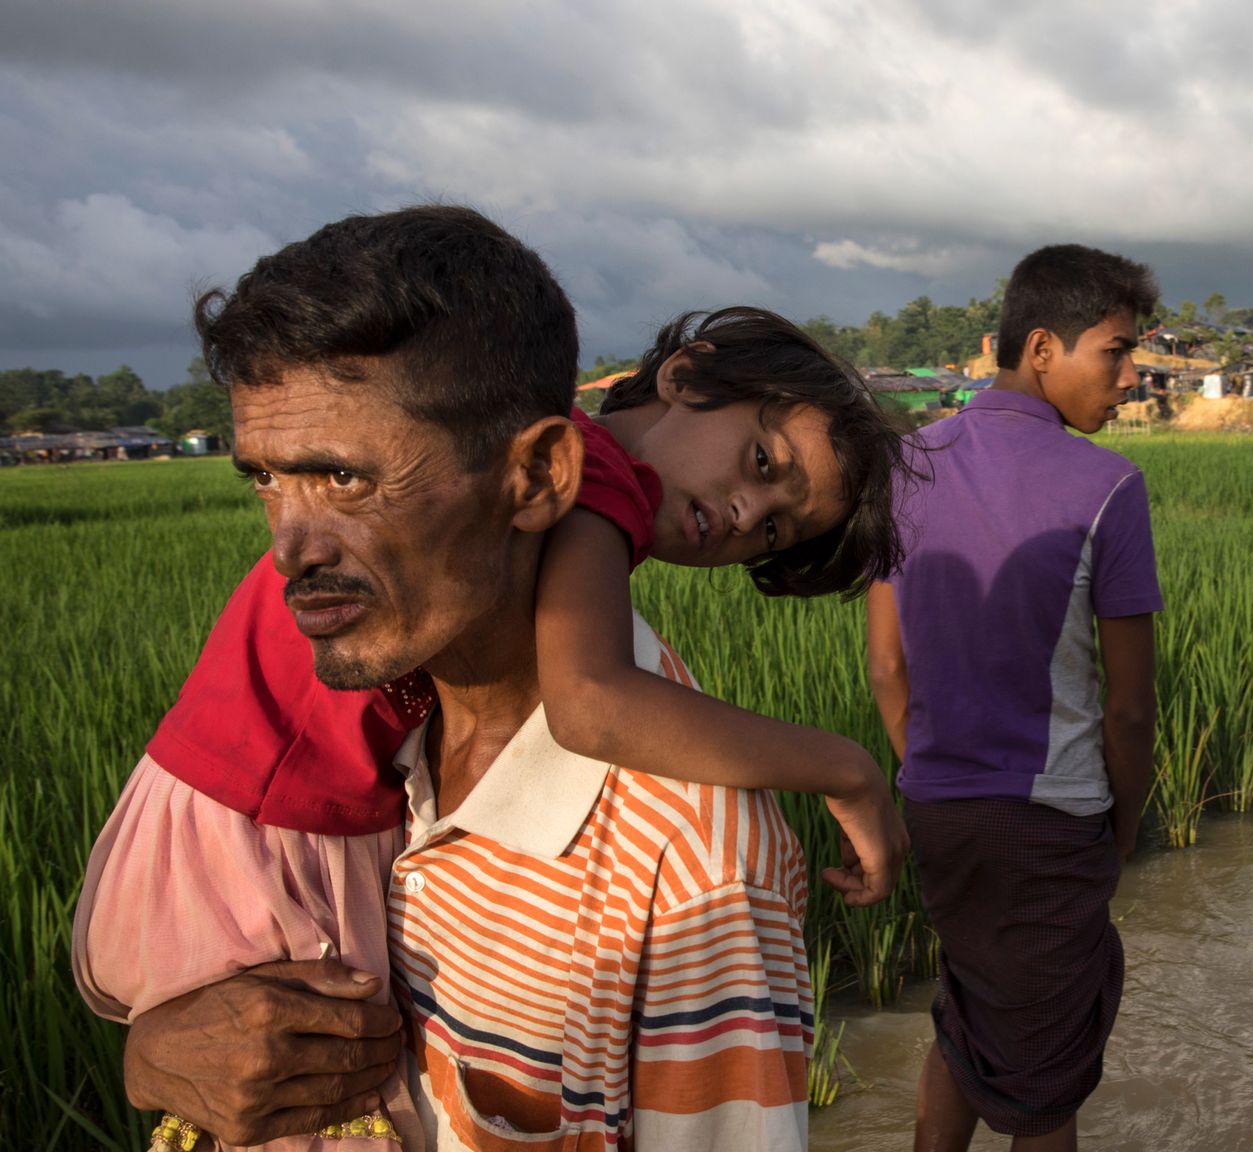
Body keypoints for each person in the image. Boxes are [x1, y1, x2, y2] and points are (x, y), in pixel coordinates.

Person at [76, 206, 872, 1150]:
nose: (289, 550)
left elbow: (590, 706)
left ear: (541, 473)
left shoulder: (694, 864)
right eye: (269, 478)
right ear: (682, 379)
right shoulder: (400, 693)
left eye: (345, 479)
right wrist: (159, 1052)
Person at [865, 244, 1161, 1152]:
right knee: (1045, 1090)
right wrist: (1118, 828)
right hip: (1051, 817)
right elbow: (1128, 707)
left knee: (968, 1015)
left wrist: (930, 778)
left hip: (941, 810)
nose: (1131, 377)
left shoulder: (901, 466)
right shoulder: (1108, 484)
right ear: (1042, 347)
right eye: (1114, 351)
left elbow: (886, 668)